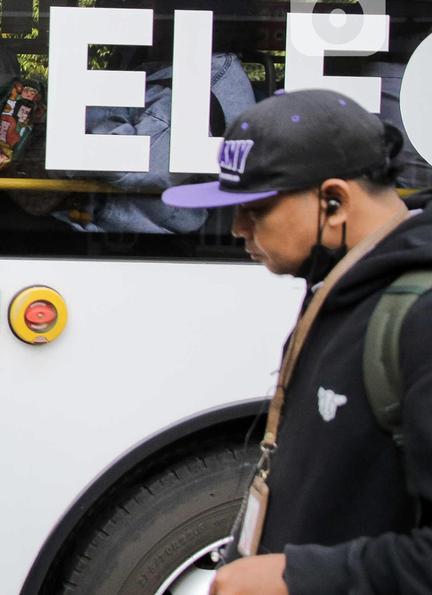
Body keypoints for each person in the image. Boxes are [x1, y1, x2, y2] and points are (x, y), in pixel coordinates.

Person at [161, 89, 432, 594]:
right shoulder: (340, 287)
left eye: (255, 209)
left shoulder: (418, 317)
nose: (237, 229)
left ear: (334, 202)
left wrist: (297, 578)